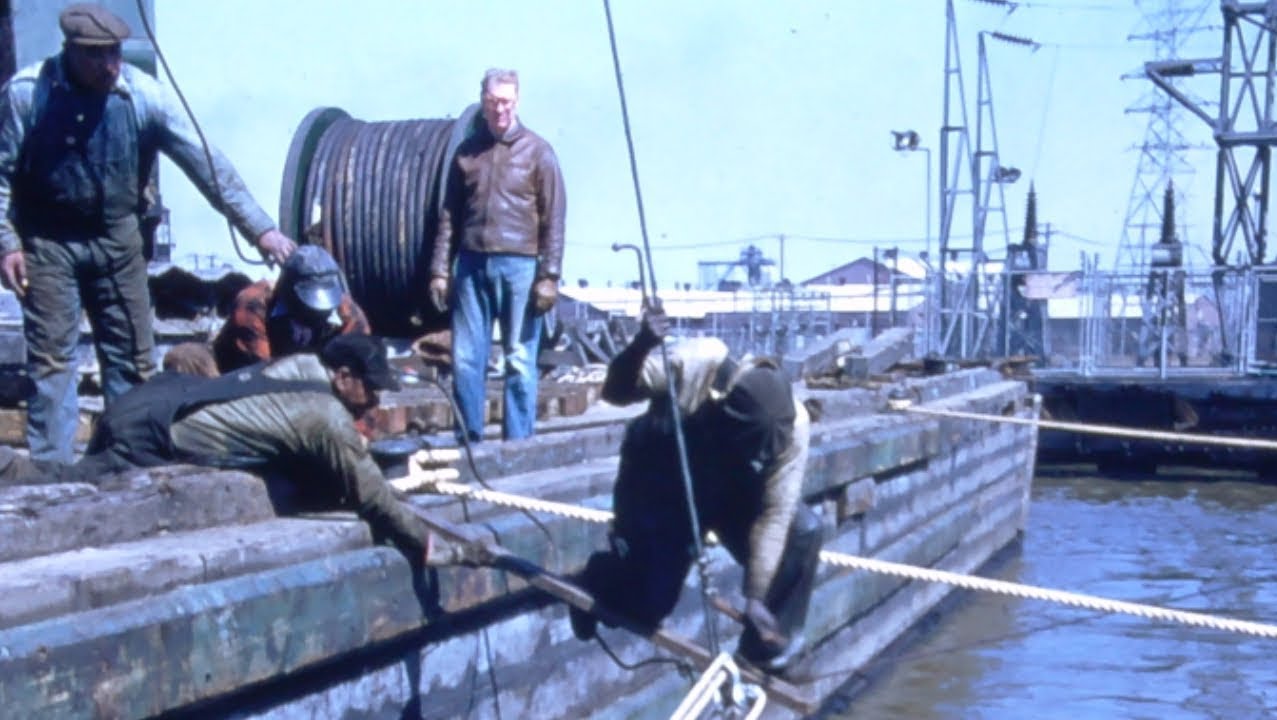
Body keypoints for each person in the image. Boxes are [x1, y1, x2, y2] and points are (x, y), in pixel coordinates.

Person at [0, 4, 296, 462]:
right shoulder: (27, 95)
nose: (110, 65)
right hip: (49, 242)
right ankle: (51, 476)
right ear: (71, 52)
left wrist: (261, 231)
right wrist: (7, 243)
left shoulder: (142, 97)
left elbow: (207, 164)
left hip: (118, 240)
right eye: (97, 56)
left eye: (115, 52)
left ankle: (128, 463)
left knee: (132, 363)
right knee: (53, 363)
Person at [0, 334, 452, 566]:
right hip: (151, 433)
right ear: (343, 377)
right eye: (370, 389)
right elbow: (375, 499)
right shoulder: (326, 417)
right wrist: (443, 548)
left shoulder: (301, 364)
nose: (375, 401)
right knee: (71, 485)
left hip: (154, 398)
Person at [571, 309, 823, 675]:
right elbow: (616, 391)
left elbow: (776, 515)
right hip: (663, 480)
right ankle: (596, 576)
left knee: (804, 531)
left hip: (732, 494)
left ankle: (763, 648)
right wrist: (642, 344)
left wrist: (754, 596)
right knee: (650, 605)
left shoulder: (794, 426)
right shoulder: (696, 361)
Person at [428, 68, 566, 442]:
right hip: (472, 266)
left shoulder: (539, 153)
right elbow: (449, 216)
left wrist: (550, 276)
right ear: (483, 102)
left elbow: (555, 217)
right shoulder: (467, 153)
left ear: (517, 100)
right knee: (466, 359)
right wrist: (440, 270)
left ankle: (518, 443)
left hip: (521, 267)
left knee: (519, 360)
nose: (499, 110)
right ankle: (468, 441)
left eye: (505, 101)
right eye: (492, 102)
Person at [212, 244, 370, 373]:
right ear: (287, 290)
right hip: (240, 373)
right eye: (308, 307)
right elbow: (265, 373)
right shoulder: (253, 305)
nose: (315, 315)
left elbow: (361, 355)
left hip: (309, 372)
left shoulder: (346, 311)